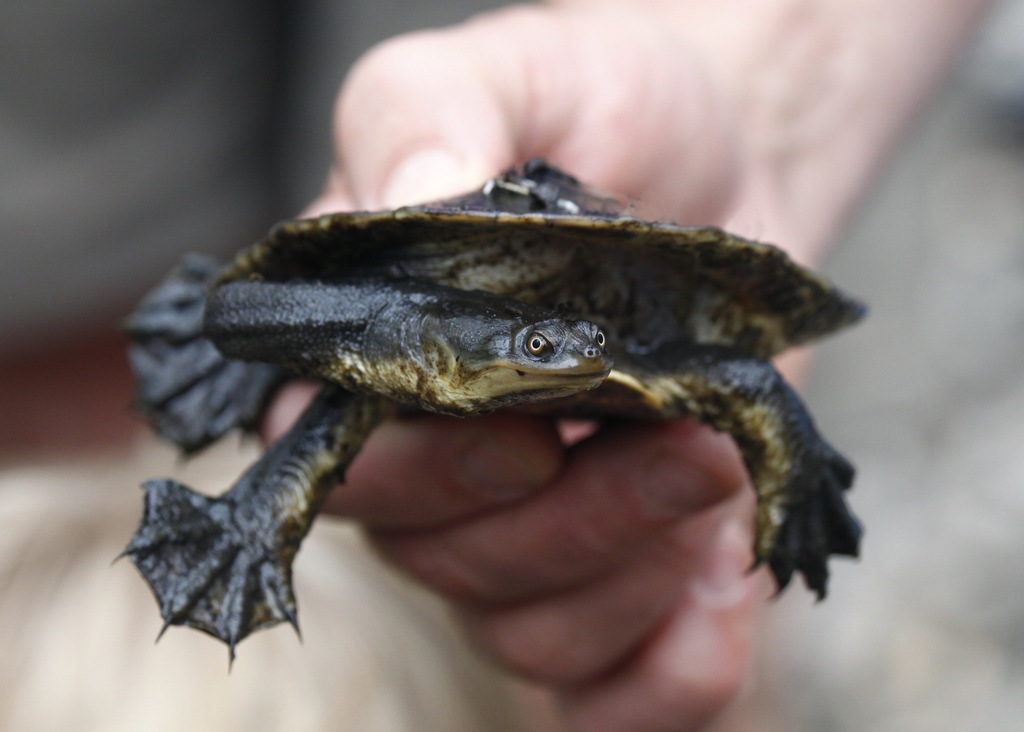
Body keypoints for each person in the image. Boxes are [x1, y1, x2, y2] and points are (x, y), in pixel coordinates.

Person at [0, 1, 990, 730]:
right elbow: (248, 315)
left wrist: (797, 477)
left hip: (590, 306)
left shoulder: (623, 352)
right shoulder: (400, 348)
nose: (572, 355)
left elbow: (751, 380)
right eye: (543, 346)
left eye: (566, 344)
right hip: (405, 319)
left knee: (669, 580)